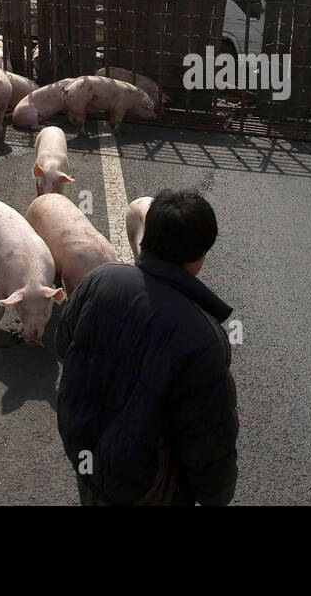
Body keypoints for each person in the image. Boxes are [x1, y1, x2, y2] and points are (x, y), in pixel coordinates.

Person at [54, 189, 238, 506]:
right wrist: (214, 497)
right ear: (201, 254)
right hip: (146, 483)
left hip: (85, 449)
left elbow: (63, 345)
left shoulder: (99, 280)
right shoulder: (203, 338)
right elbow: (208, 441)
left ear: (148, 235)